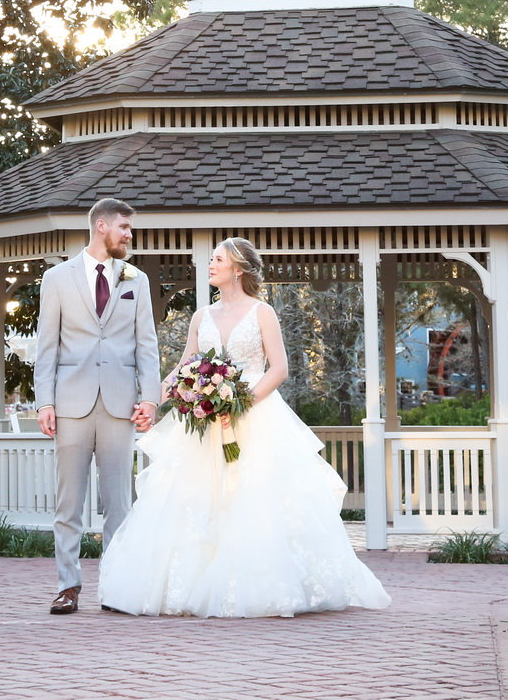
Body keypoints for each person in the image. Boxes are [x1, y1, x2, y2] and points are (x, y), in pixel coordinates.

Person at [96, 237, 390, 617]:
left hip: (254, 417)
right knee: (196, 498)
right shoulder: (202, 316)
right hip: (204, 422)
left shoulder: (262, 312)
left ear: (238, 268)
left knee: (255, 497)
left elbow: (280, 368)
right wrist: (155, 400)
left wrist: (239, 403)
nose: (211, 265)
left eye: (218, 259)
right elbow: (186, 365)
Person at [32, 197, 160, 615]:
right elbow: (46, 347)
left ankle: (115, 585)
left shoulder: (135, 280)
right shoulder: (57, 278)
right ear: (101, 226)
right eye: (124, 227)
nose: (129, 235)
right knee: (68, 504)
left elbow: (147, 346)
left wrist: (150, 399)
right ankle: (68, 587)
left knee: (118, 503)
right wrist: (44, 402)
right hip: (70, 404)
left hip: (120, 406)